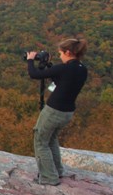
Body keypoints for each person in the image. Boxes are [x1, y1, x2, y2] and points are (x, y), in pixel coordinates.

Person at [27, 38, 88, 185]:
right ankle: (57, 171)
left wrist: (30, 60)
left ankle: (48, 177)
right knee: (52, 139)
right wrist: (49, 65)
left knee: (41, 141)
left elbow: (34, 74)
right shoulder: (82, 69)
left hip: (54, 110)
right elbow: (62, 79)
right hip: (67, 112)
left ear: (68, 52)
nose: (60, 55)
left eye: (61, 52)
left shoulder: (64, 68)